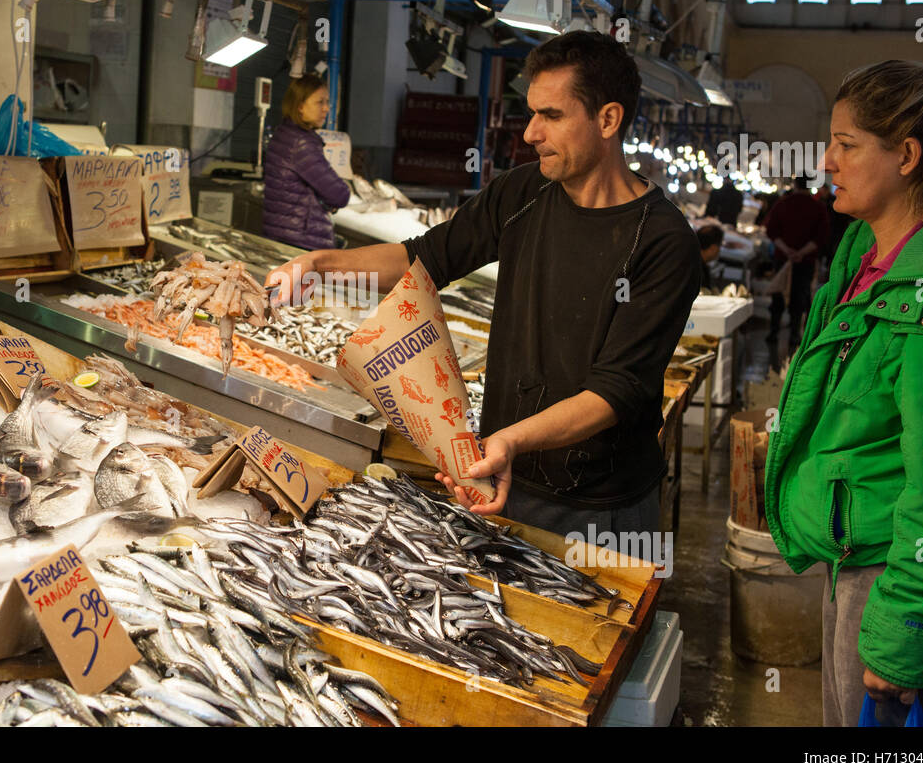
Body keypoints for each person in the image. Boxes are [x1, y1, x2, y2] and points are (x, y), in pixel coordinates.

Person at [267, 31, 702, 535]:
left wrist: (510, 441)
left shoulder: (663, 241)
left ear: (607, 119)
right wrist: (319, 264)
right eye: (531, 113)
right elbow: (424, 258)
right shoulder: (523, 191)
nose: (531, 133)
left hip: (597, 506)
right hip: (501, 475)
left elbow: (616, 392)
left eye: (552, 116)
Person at [765, 59, 923, 727]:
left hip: (896, 579)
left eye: (847, 145)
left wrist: (903, 637)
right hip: (853, 561)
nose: (828, 160)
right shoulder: (866, 255)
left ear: (906, 155)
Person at [261, 74, 352, 250]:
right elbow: (340, 195)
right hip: (301, 242)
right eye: (320, 102)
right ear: (300, 106)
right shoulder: (301, 144)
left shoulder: (283, 134)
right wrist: (328, 202)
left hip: (281, 236)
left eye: (327, 102)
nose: (326, 109)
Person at [763, 174, 829, 346]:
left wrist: (787, 251)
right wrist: (801, 253)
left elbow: (771, 231)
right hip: (805, 261)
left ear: (795, 184)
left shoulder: (783, 204)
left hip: (783, 260)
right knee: (800, 297)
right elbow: (822, 236)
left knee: (778, 295)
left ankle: (773, 332)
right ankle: (794, 335)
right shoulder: (818, 207)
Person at [696, 224, 724, 291]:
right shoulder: (698, 269)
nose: (719, 250)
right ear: (713, 248)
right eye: (719, 245)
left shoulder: (695, 262)